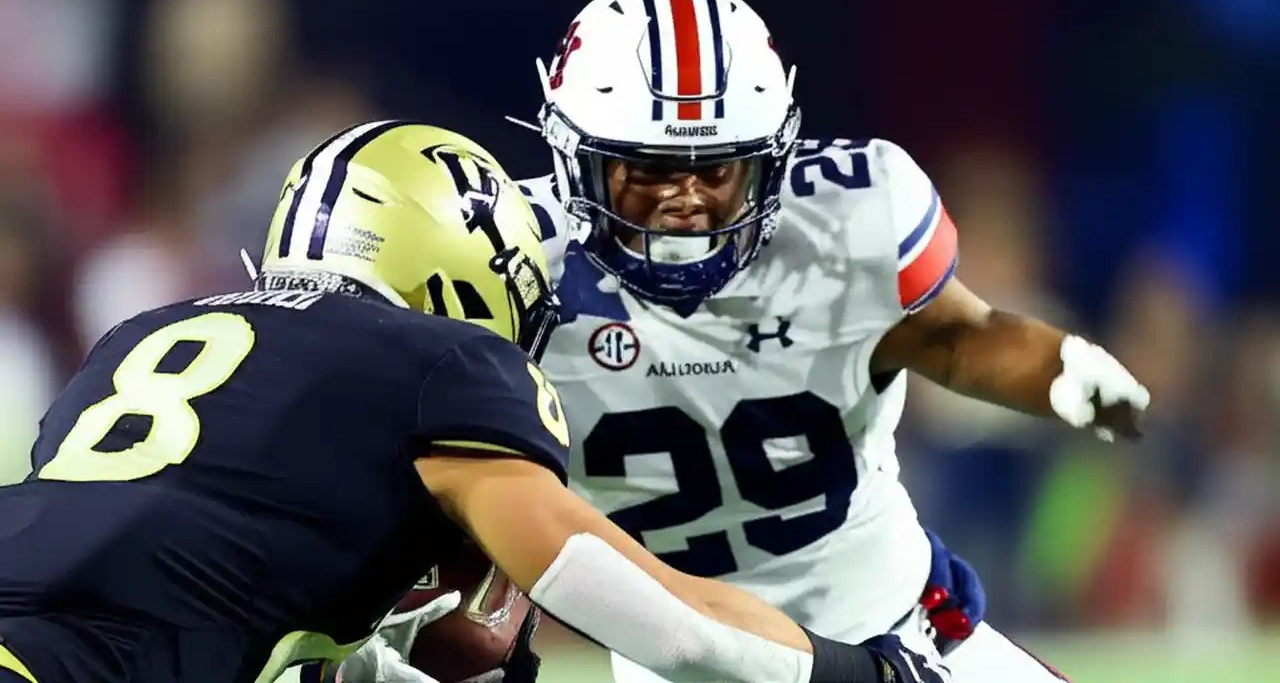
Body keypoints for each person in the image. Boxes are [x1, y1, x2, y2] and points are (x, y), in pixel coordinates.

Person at [0, 122, 944, 683]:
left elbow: (183, 590)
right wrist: (862, 669)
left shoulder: (137, 338)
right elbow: (667, 622)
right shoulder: (440, 363)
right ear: (469, 262)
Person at [514, 0, 1150, 683]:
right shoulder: (508, 266)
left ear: (770, 159)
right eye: (648, 169)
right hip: (688, 666)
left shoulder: (845, 221)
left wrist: (1060, 369)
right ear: (575, 158)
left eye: (716, 169)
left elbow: (954, 339)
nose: (684, 203)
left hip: (898, 628)